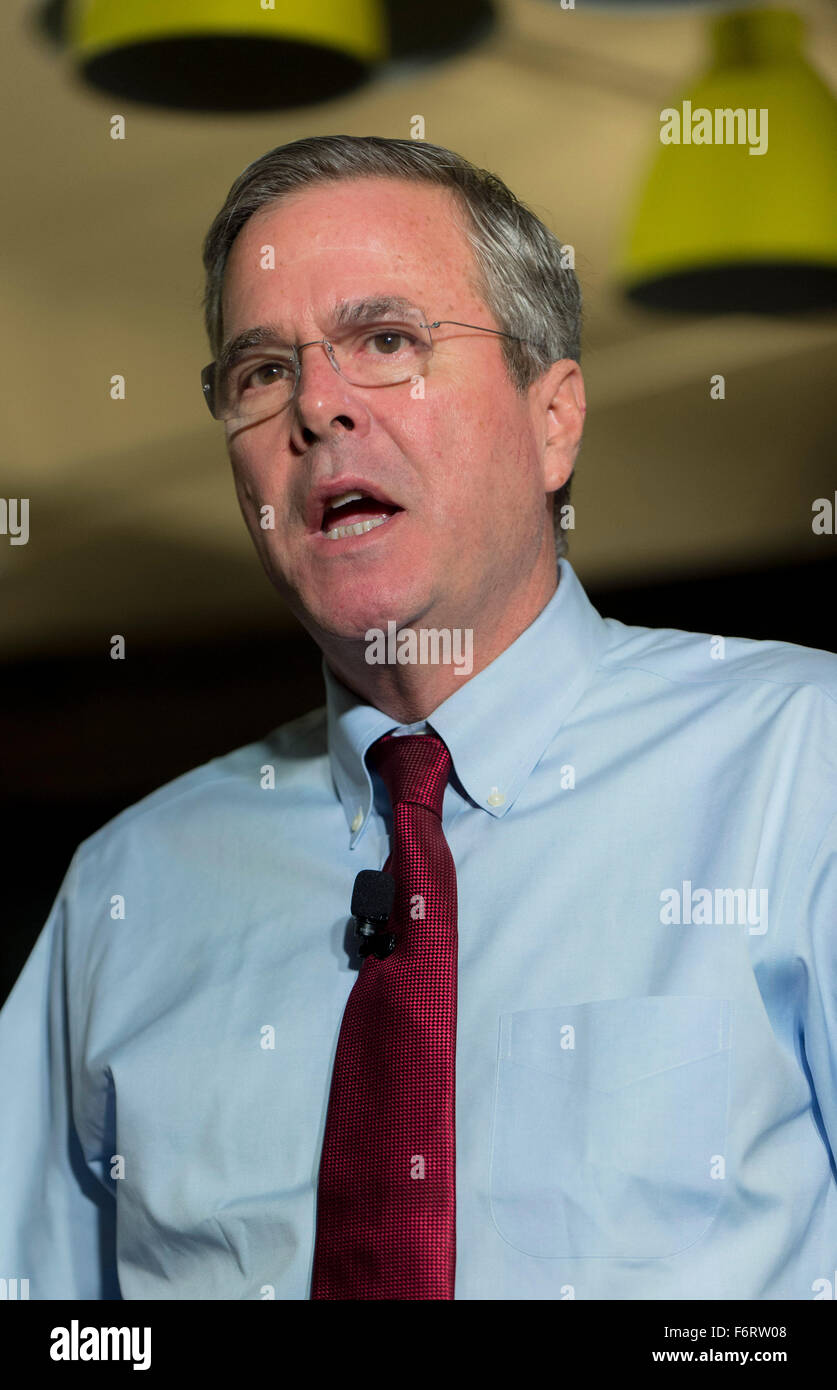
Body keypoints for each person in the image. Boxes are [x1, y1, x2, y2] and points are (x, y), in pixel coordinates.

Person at [1, 135, 835, 1301]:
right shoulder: (120, 896)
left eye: (386, 342)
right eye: (260, 373)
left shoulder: (806, 764)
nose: (318, 408)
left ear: (555, 420)